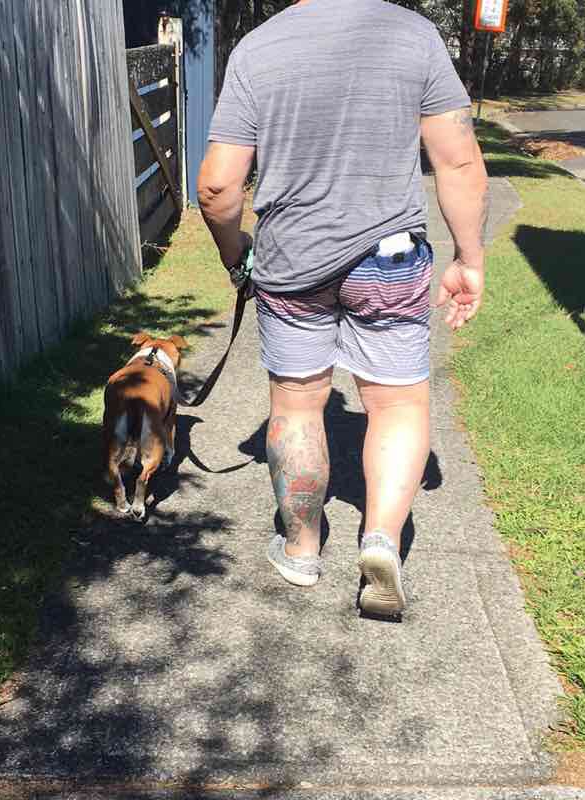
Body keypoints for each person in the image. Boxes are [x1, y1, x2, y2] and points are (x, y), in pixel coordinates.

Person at [197, 0, 488, 616]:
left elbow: (218, 185)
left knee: (298, 404)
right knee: (399, 402)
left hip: (291, 260)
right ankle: (381, 540)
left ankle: (302, 549)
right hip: (389, 257)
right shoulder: (416, 35)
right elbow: (458, 158)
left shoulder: (258, 47)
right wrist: (469, 256)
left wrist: (235, 253)